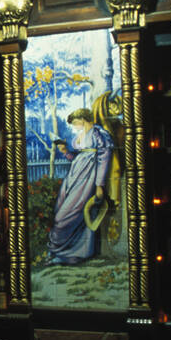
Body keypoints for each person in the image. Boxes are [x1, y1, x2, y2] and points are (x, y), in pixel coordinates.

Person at [46, 108, 114, 265]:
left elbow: (103, 161)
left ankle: (64, 252)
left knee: (66, 215)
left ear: (83, 119)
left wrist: (99, 185)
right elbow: (77, 158)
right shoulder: (81, 135)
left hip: (87, 179)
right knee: (62, 211)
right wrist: (65, 151)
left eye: (76, 123)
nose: (75, 126)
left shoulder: (99, 134)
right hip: (74, 177)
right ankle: (64, 254)